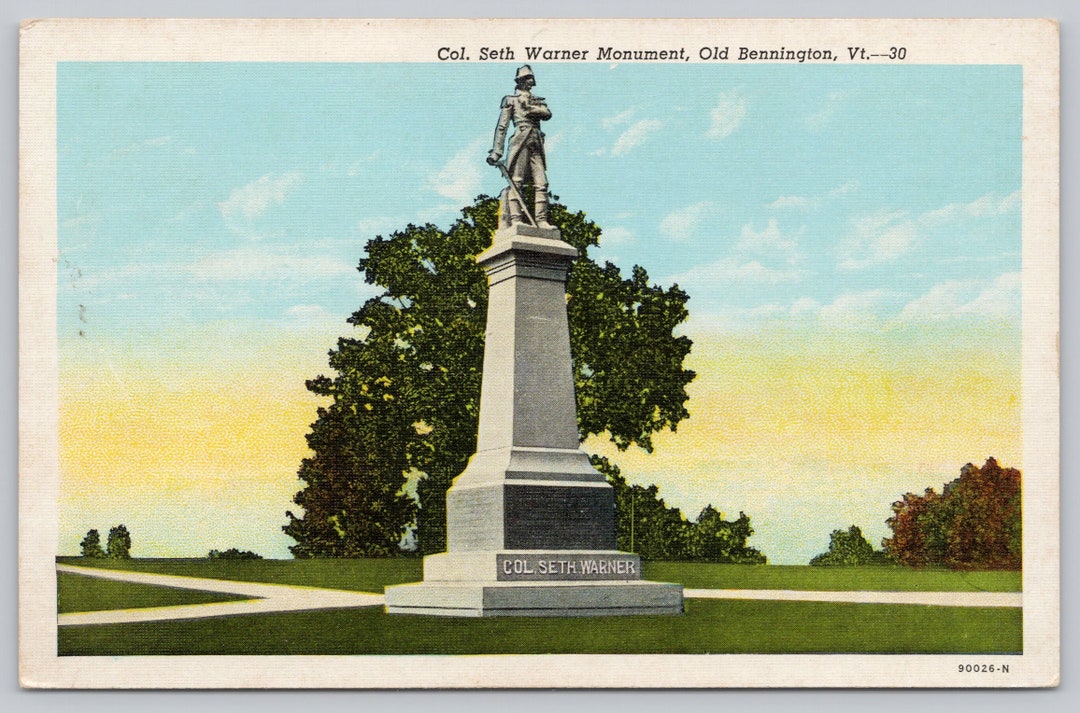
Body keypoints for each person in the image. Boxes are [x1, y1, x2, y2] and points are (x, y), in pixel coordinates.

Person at [486, 65, 554, 229]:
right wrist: (497, 151)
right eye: (527, 78)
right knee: (517, 181)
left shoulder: (537, 100)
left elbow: (547, 114)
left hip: (536, 142)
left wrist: (530, 108)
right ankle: (516, 219)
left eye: (531, 78)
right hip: (520, 140)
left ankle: (541, 220)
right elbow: (502, 128)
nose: (530, 81)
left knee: (542, 183)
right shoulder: (511, 100)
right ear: (520, 81)